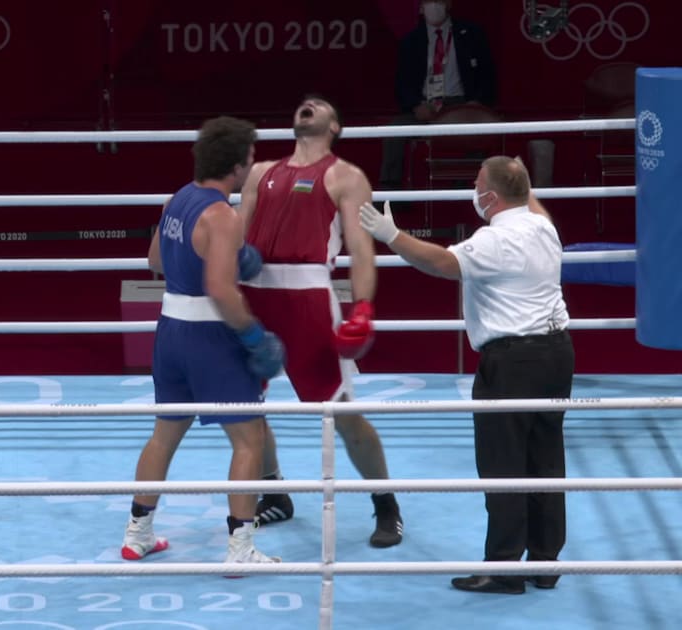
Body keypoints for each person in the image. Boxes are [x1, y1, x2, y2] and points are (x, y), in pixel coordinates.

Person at [359, 156, 574, 594]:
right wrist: (521, 180)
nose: (473, 191)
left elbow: (441, 263)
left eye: (477, 185)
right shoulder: (543, 227)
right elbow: (528, 202)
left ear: (490, 197)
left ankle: (503, 570)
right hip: (557, 354)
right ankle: (545, 563)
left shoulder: (494, 240)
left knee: (503, 464)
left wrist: (391, 236)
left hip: (512, 362)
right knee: (545, 458)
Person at [239, 96, 404, 548]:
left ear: (335, 127)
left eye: (321, 104)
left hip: (307, 298)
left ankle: (386, 504)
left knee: (341, 410)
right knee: (246, 405)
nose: (308, 103)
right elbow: (236, 235)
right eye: (304, 102)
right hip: (252, 295)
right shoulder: (259, 172)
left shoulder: (345, 176)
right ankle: (274, 491)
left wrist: (363, 307)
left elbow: (361, 248)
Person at [121, 116, 285, 566]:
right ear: (236, 166)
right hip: (210, 338)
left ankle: (137, 534)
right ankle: (240, 548)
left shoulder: (177, 199)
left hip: (170, 331)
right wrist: (253, 334)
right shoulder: (222, 215)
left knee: (164, 435)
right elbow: (221, 290)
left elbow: (155, 259)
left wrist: (222, 256)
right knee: (249, 439)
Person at [379, 0, 496, 192]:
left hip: (460, 105)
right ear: (421, 8)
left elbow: (487, 75)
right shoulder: (411, 41)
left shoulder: (472, 34)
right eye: (428, 2)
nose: (434, 6)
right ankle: (390, 191)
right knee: (394, 130)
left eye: (438, 1)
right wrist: (416, 106)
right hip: (427, 106)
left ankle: (463, 185)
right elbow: (402, 84)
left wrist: (476, 103)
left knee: (481, 125)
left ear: (448, 4)